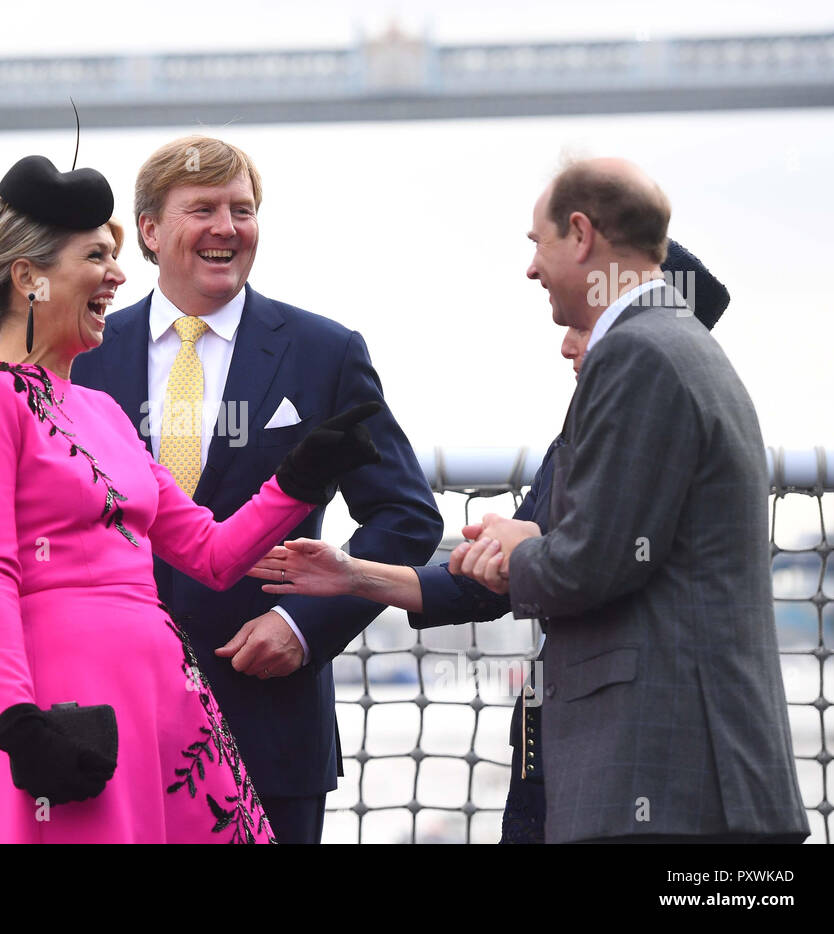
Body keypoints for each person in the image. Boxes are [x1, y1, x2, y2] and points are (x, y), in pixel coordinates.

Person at [0, 154, 382, 843]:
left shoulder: (104, 410)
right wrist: (16, 720)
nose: (118, 276)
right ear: (30, 278)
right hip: (69, 710)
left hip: (164, 700)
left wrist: (300, 478)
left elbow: (211, 552)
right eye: (96, 257)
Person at [249, 239, 733, 843]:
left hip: (636, 761)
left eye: (592, 325)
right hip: (560, 754)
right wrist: (353, 574)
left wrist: (526, 546)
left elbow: (570, 565)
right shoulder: (588, 436)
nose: (567, 345)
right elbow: (485, 585)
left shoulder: (674, 436)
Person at [71, 136, 442, 843]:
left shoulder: (325, 353)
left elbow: (406, 515)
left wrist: (305, 627)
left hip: (269, 726)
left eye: (242, 210)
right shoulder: (82, 356)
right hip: (109, 728)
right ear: (149, 231)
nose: (227, 228)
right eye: (202, 208)